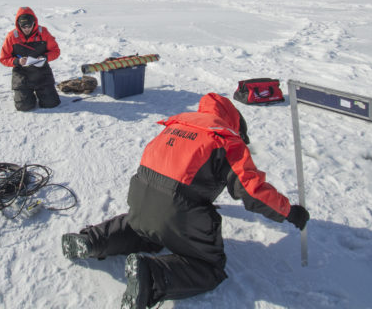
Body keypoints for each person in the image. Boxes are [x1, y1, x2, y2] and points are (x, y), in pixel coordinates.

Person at [61, 93, 309, 308]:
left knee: (141, 227)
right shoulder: (225, 139)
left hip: (140, 195)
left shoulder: (175, 125)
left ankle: (92, 241)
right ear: (233, 121)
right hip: (177, 210)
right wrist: (289, 212)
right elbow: (253, 192)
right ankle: (152, 277)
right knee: (209, 266)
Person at [0, 7, 61, 111]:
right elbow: (4, 58)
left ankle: (42, 92)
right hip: (22, 75)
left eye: (29, 26)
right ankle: (27, 93)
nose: (27, 29)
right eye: (23, 26)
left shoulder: (43, 33)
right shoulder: (12, 37)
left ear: (34, 23)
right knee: (24, 106)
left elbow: (56, 51)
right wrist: (17, 61)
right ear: (19, 25)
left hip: (42, 72)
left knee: (51, 103)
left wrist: (45, 57)